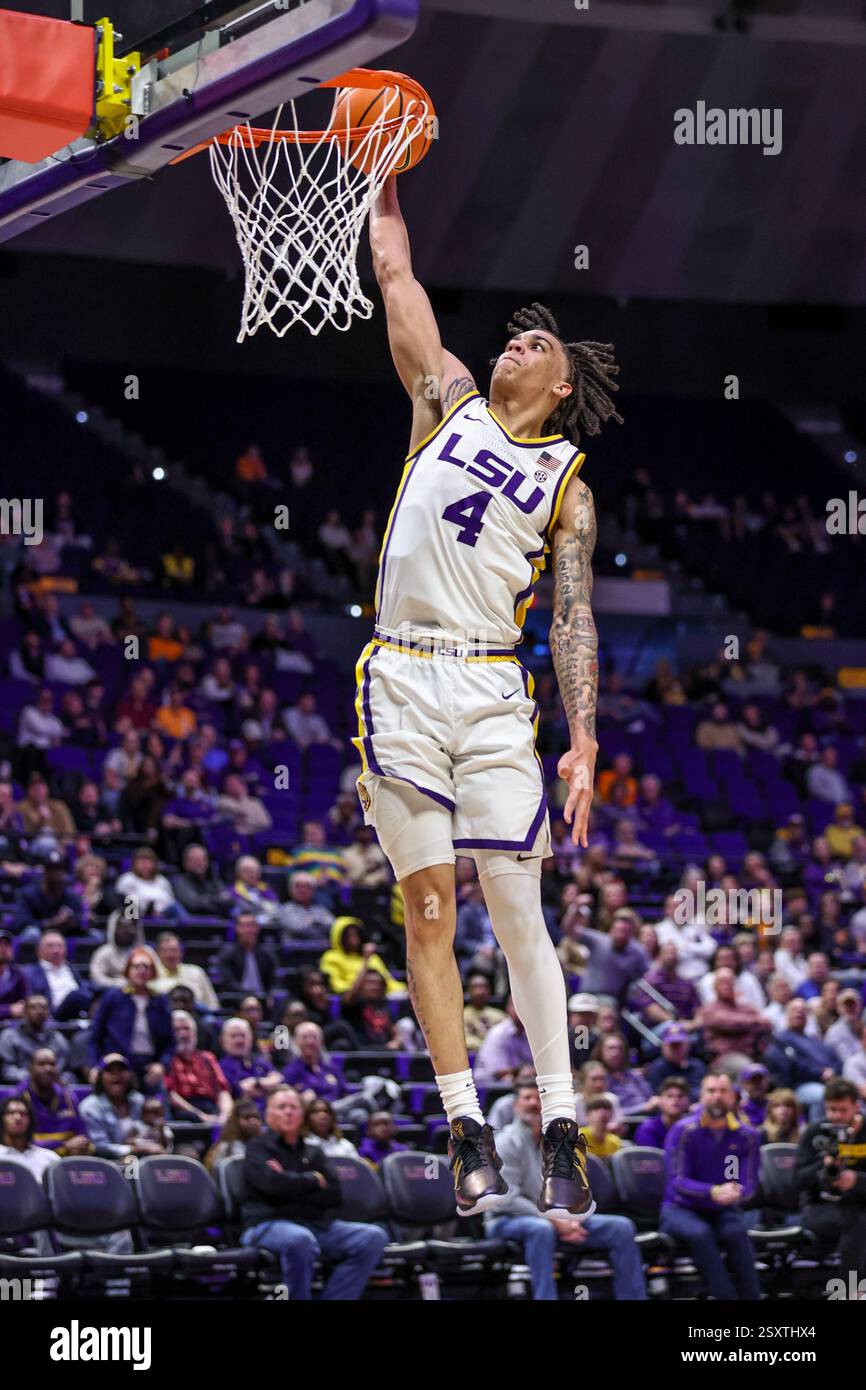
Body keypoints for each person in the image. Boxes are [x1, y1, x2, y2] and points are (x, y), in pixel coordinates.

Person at [353, 177, 624, 1217]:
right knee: (428, 907)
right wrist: (381, 172)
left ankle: (559, 1129)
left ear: (560, 387)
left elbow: (570, 617)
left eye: (537, 348)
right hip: (402, 673)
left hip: (490, 688)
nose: (516, 346)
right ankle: (463, 1120)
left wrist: (584, 739)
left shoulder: (567, 482)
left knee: (519, 912)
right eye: (513, 338)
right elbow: (394, 272)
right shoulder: (443, 400)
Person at [485, 1084, 646, 1300]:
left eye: (539, 1098)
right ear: (515, 1105)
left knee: (621, 1227)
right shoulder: (505, 1142)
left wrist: (571, 1218)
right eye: (527, 1098)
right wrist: (552, 1219)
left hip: (556, 1219)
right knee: (540, 1229)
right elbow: (505, 1199)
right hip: (506, 1220)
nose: (534, 1103)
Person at [240, 1085, 387, 1299]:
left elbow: (334, 1194)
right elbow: (271, 1186)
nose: (288, 1112)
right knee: (299, 1239)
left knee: (373, 1237)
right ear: (268, 1113)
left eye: (293, 1107)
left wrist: (288, 1182)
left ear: (302, 1114)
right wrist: (312, 1180)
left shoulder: (313, 1151)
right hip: (267, 1224)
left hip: (315, 1225)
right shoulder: (257, 1147)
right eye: (281, 1107)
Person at [660, 1071, 762, 1301]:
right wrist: (712, 1191)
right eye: (711, 1091)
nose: (717, 1096)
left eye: (723, 1091)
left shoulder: (746, 1136)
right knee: (701, 1233)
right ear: (701, 1096)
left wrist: (736, 1192)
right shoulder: (684, 1131)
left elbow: (747, 1183)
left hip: (721, 1210)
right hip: (679, 1209)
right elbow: (678, 1181)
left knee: (736, 1233)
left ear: (733, 1097)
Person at [796, 1077, 866, 1290]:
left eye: (842, 1110)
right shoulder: (815, 1132)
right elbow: (797, 1179)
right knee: (858, 1222)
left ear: (856, 1106)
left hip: (860, 1203)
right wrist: (822, 1168)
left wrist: (857, 1181)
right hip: (820, 1208)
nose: (835, 1116)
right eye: (831, 1109)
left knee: (858, 1218)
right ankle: (854, 1290)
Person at [88, 949, 173, 1089]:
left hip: (149, 1065)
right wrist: (95, 1065)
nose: (141, 970)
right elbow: (95, 1036)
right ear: (128, 970)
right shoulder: (113, 997)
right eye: (136, 966)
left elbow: (170, 1041)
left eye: (146, 967)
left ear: (153, 972)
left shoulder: (160, 1001)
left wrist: (162, 1064)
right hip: (117, 1064)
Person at [764, 998, 841, 1120]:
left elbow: (836, 1059)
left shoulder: (815, 1040)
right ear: (787, 1014)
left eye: (803, 1010)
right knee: (821, 1095)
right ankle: (817, 1135)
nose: (799, 1013)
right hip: (800, 1086)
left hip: (827, 1082)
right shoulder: (781, 1040)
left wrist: (833, 1071)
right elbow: (795, 1065)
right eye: (794, 1010)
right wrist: (820, 1073)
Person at [79, 1053, 166, 1160]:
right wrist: (132, 1149)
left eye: (121, 1070)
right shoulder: (90, 1107)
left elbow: (152, 1135)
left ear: (130, 1075)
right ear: (100, 1077)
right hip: (108, 1164)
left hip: (142, 1162)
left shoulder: (139, 1101)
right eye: (110, 1071)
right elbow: (98, 1146)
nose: (116, 1074)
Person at [14, 1048, 91, 1155]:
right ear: (30, 1069)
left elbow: (83, 1135)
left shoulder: (68, 1097)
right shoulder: (18, 1098)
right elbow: (18, 1143)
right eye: (41, 1064)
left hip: (66, 1162)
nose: (48, 1068)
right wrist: (64, 1146)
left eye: (52, 1064)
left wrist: (81, 1146)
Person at [164, 1010, 233, 1124]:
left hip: (211, 1107)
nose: (183, 1034)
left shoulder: (208, 1058)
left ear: (195, 1033)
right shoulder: (167, 1060)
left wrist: (225, 1114)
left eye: (186, 1029)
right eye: (177, 1030)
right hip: (184, 1110)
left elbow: (223, 1091)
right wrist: (200, 1116)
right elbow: (170, 1095)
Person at [319, 917, 403, 996]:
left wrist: (402, 990)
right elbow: (337, 986)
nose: (354, 939)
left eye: (356, 934)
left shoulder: (372, 957)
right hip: (351, 1002)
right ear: (339, 937)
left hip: (377, 999)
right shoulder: (331, 957)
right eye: (348, 935)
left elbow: (387, 980)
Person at [0, 993, 70, 1083]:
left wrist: (63, 1079)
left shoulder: (58, 1038)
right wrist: (36, 1077)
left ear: (48, 1012)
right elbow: (6, 1070)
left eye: (43, 1007)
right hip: (20, 1088)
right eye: (33, 1007)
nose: (39, 1011)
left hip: (53, 1088)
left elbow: (67, 1071)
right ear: (25, 1012)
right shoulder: (9, 1036)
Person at [149, 931, 220, 1011]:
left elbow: (213, 1003)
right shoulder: (151, 974)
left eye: (174, 950)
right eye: (166, 950)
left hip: (197, 1017)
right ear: (158, 952)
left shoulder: (196, 972)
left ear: (181, 951)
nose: (171, 955)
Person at [215, 912, 278, 999]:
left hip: (263, 998)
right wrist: (249, 995)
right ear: (237, 929)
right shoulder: (227, 952)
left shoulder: (266, 953)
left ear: (257, 928)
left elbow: (274, 979)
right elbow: (227, 981)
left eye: (251, 926)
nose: (248, 930)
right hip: (237, 998)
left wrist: (270, 995)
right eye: (244, 926)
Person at [218, 1017, 283, 1101]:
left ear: (251, 1038)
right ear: (222, 1041)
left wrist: (256, 1082)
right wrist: (267, 1084)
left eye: (243, 1035)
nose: (239, 1040)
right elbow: (243, 1091)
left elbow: (279, 1079)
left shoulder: (260, 1061)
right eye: (233, 1036)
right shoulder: (221, 1067)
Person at [474, 997, 535, 1085]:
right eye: (517, 1006)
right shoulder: (497, 1033)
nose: (522, 1011)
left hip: (521, 1081)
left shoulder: (531, 1033)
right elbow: (498, 1072)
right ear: (508, 1009)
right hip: (490, 1087)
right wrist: (523, 1070)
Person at [0, 1094, 62, 1180]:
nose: (17, 1117)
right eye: (11, 1113)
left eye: (23, 1114)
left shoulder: (49, 1157)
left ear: (30, 1120)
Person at [115, 846, 179, 920]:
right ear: (134, 863)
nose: (145, 864)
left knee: (175, 906)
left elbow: (170, 900)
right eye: (141, 861)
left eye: (148, 860)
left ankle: (190, 927)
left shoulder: (161, 880)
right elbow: (126, 903)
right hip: (138, 916)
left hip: (164, 915)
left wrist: (158, 909)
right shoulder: (127, 879)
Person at [644, 1025, 706, 1100]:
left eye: (679, 1045)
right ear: (664, 1047)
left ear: (687, 1045)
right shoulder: (657, 1068)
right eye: (672, 1045)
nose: (676, 1049)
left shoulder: (698, 1065)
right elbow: (659, 1096)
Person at [205, 1099, 263, 1171]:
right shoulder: (226, 1148)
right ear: (235, 1121)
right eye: (247, 1117)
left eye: (256, 1117)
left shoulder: (263, 1145)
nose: (253, 1121)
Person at [633, 1077, 691, 1148]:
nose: (675, 1100)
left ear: (688, 1102)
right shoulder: (648, 1129)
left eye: (680, 1096)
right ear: (660, 1101)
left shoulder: (692, 1128)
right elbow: (649, 1157)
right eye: (669, 1096)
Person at [463, 972, 506, 1052]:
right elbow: (464, 1039)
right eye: (475, 987)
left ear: (489, 990)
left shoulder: (500, 1015)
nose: (480, 991)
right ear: (468, 991)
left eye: (483, 987)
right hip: (472, 1056)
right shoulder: (461, 1016)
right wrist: (486, 1045)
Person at [578, 1096, 623, 1160]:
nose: (602, 1112)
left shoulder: (615, 1142)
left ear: (612, 1114)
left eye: (606, 1108)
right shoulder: (578, 1137)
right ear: (587, 1115)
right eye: (596, 1108)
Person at [0, 929, 27, 1020]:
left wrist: (22, 1007)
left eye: (6, 944)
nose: (3, 948)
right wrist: (8, 1010)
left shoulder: (18, 974)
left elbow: (25, 1000)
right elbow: (13, 1009)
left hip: (13, 1026)